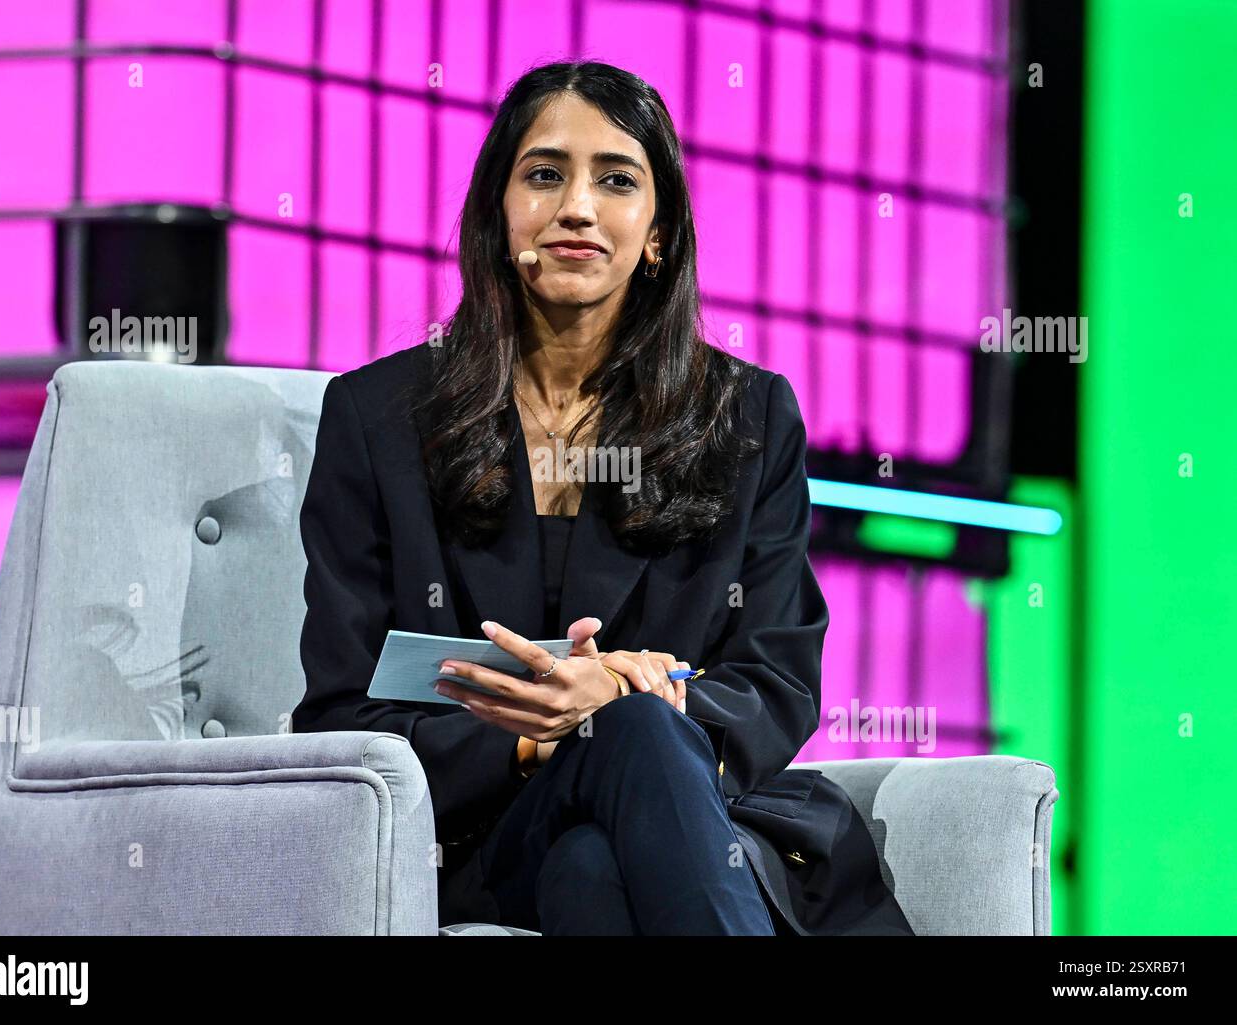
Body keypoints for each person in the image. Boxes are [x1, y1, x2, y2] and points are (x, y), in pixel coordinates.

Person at [292, 59, 913, 936]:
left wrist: (634, 698)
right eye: (544, 174)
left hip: (698, 825)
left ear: (657, 232)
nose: (576, 207)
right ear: (499, 213)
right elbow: (336, 715)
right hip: (480, 834)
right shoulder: (378, 418)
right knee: (624, 732)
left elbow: (775, 682)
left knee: (595, 859)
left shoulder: (745, 418)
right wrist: (543, 728)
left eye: (617, 180)